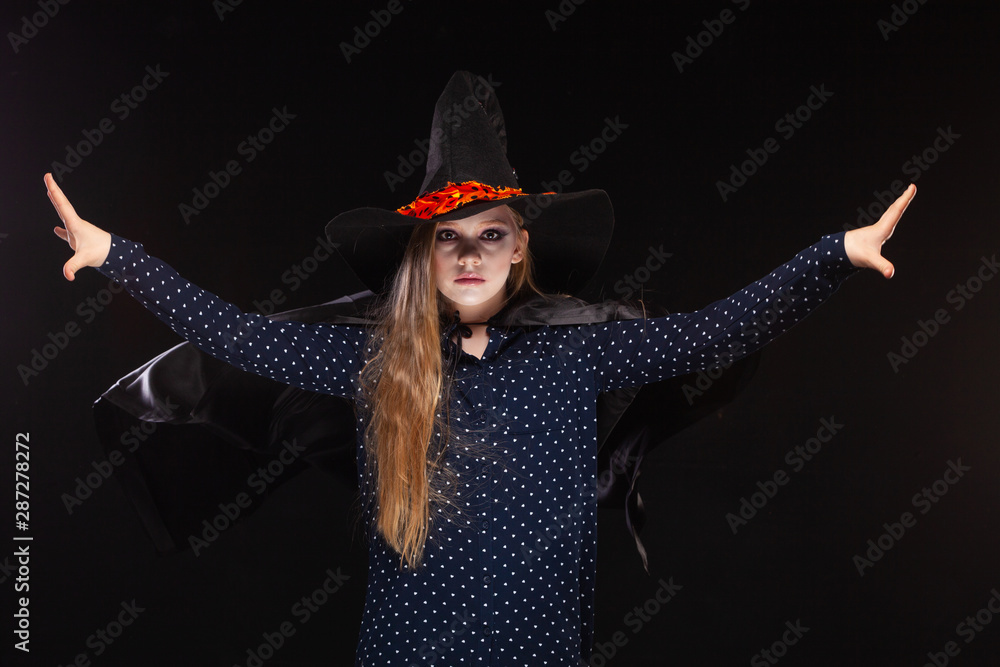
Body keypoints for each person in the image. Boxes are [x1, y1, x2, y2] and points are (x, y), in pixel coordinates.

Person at [46, 72, 914, 666]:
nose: (470, 255)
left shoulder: (583, 352)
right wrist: (116, 253)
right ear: (423, 254)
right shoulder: (376, 361)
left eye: (490, 234)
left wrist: (834, 253)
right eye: (449, 239)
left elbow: (715, 330)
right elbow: (237, 337)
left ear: (521, 245)